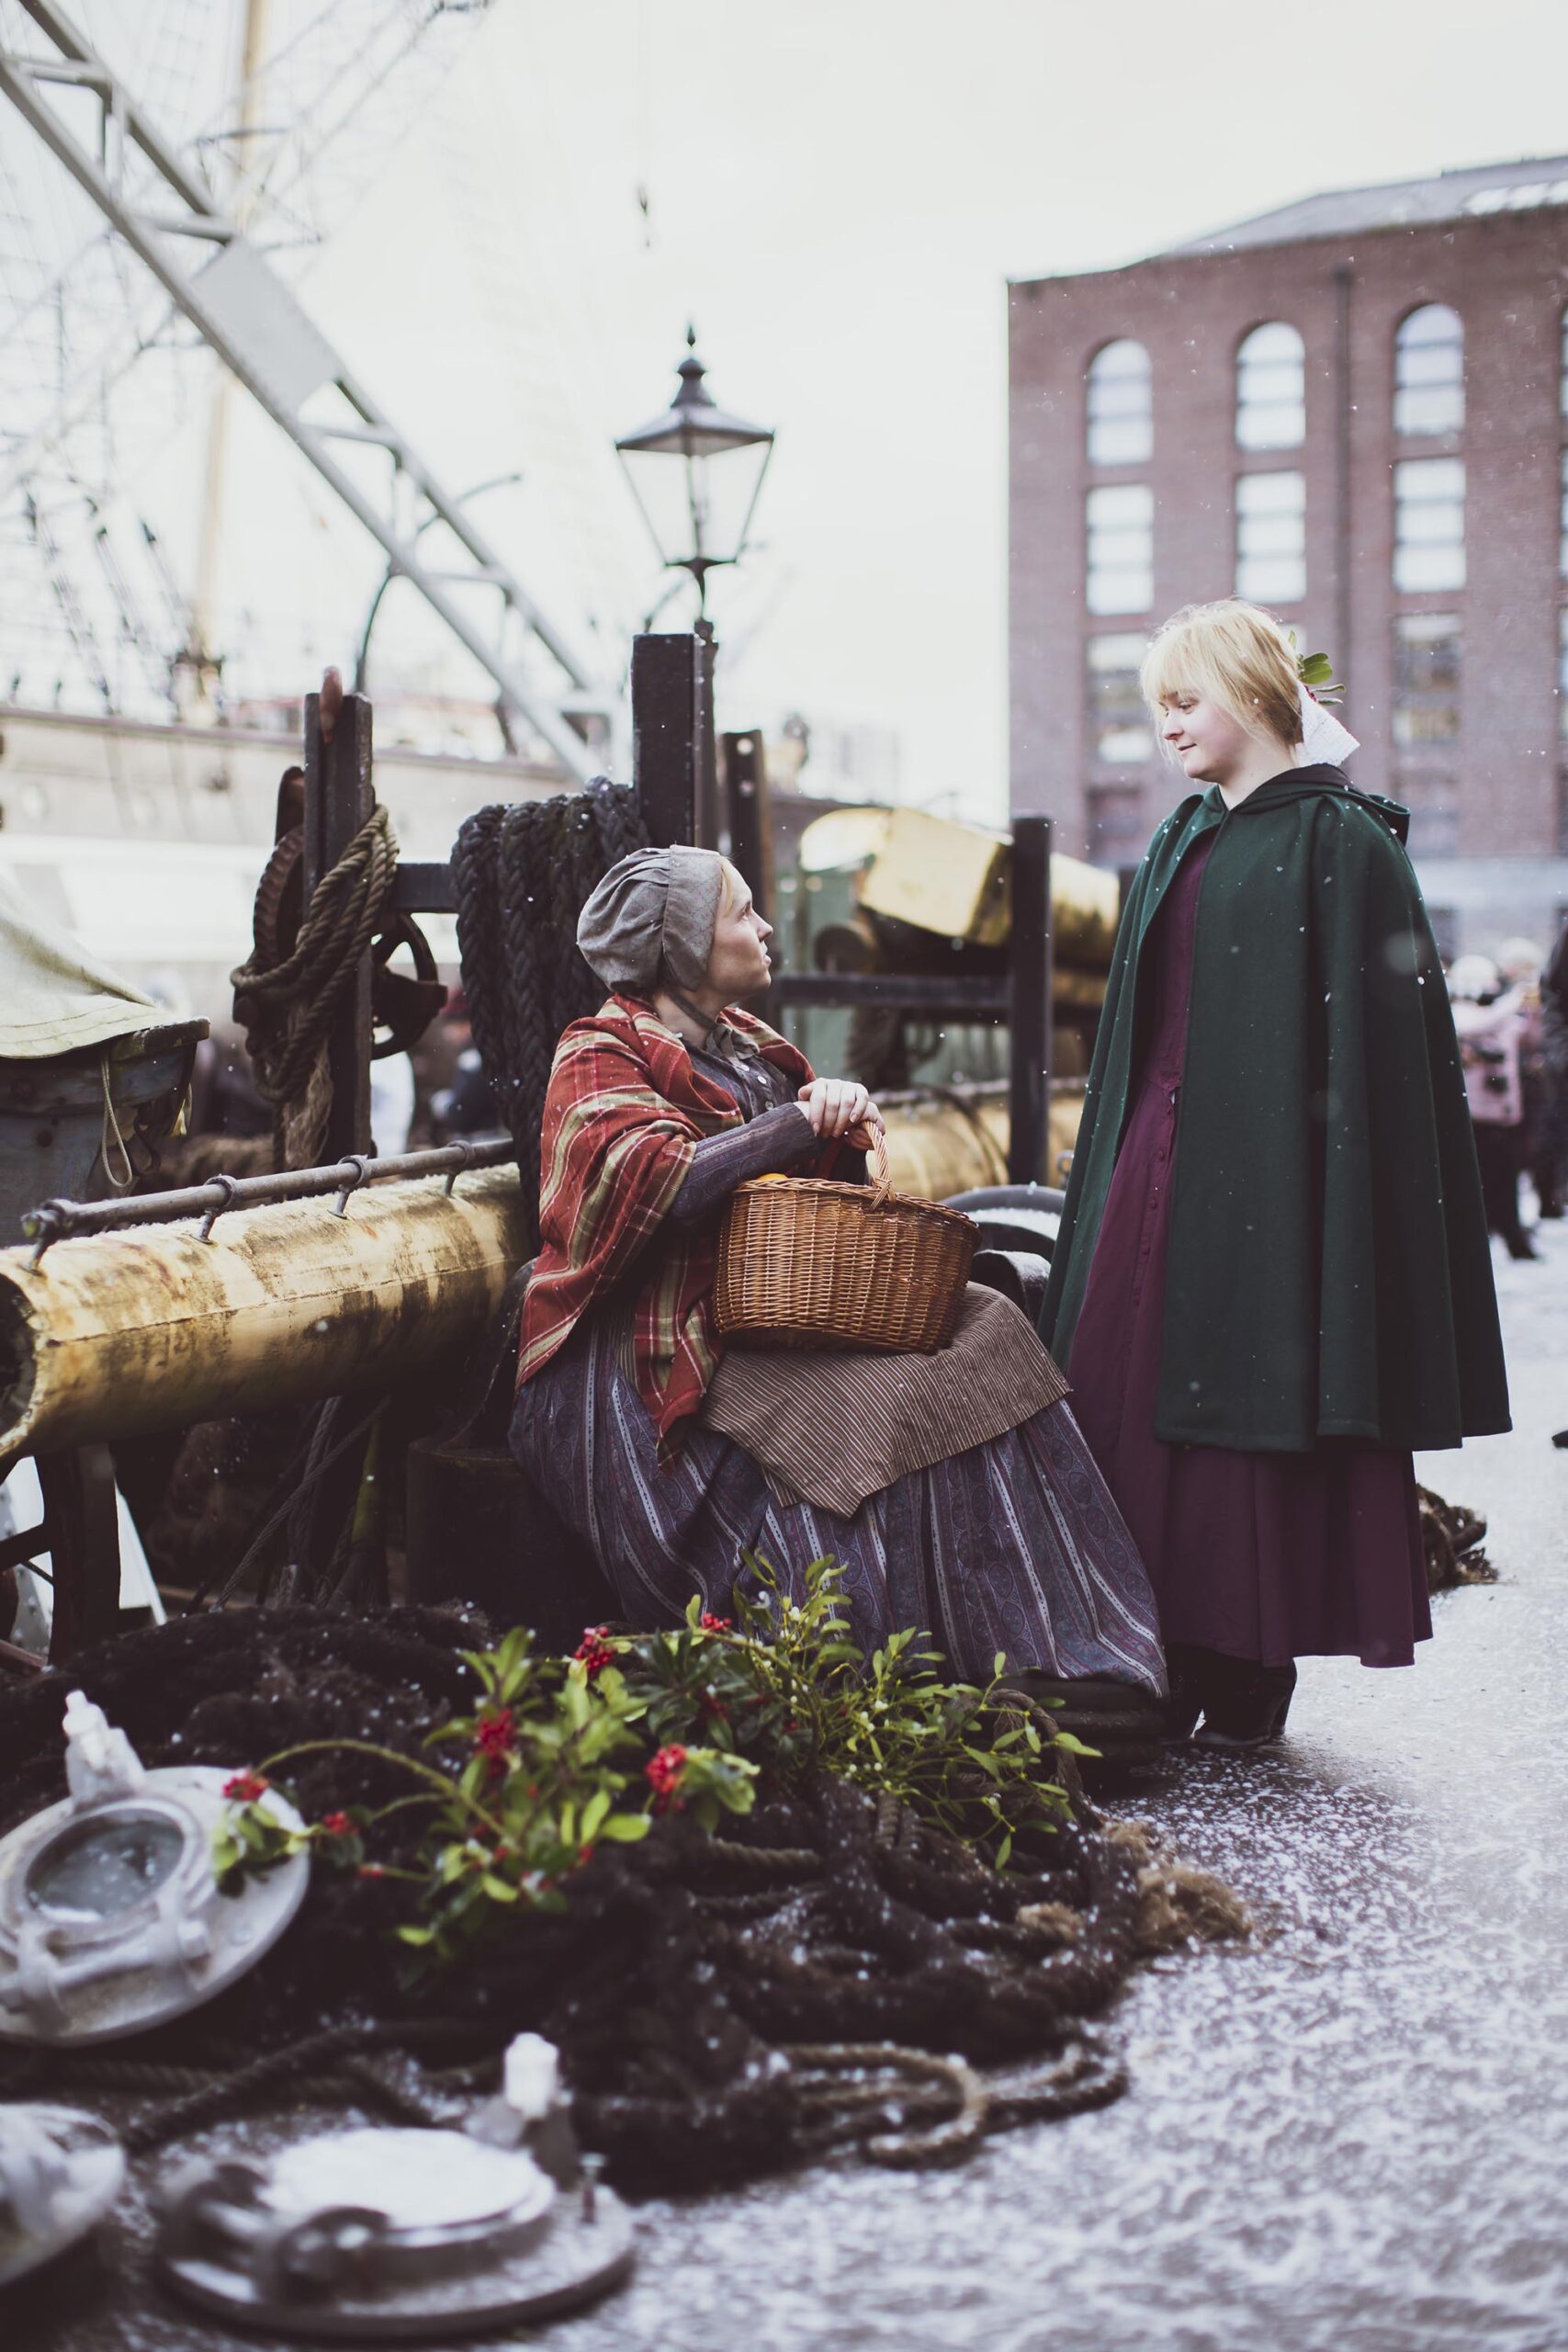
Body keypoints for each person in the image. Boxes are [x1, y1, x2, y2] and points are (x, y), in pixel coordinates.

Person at [509, 844, 1166, 1724]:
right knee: (878, 1403)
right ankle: (929, 1660)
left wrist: (836, 1132)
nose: (767, 927)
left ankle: (1065, 1643)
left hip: (760, 1314)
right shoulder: (597, 1056)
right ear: (679, 947)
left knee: (989, 1327)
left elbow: (820, 1193)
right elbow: (650, 1185)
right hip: (646, 1359)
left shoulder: (753, 1051)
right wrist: (791, 1127)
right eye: (742, 912)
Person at [1038, 600, 1509, 1752]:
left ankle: (1247, 1659)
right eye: (1159, 709)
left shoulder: (1347, 843)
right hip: (1157, 1163)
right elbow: (1141, 1034)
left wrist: (1316, 1197)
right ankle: (1149, 1649)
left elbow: (1377, 1064)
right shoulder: (1178, 839)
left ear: (1254, 694)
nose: (1168, 728)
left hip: (1278, 1181)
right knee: (1123, 1407)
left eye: (1184, 702)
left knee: (1256, 1417)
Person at [1449, 952, 1536, 1261]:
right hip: (1476, 1118)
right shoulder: (1461, 1014)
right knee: (1480, 1185)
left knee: (1504, 1183)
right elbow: (1476, 1023)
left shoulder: (1497, 1018)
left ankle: (1512, 1238)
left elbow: (1525, 1033)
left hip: (1503, 1117)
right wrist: (1515, 996)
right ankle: (1485, 1239)